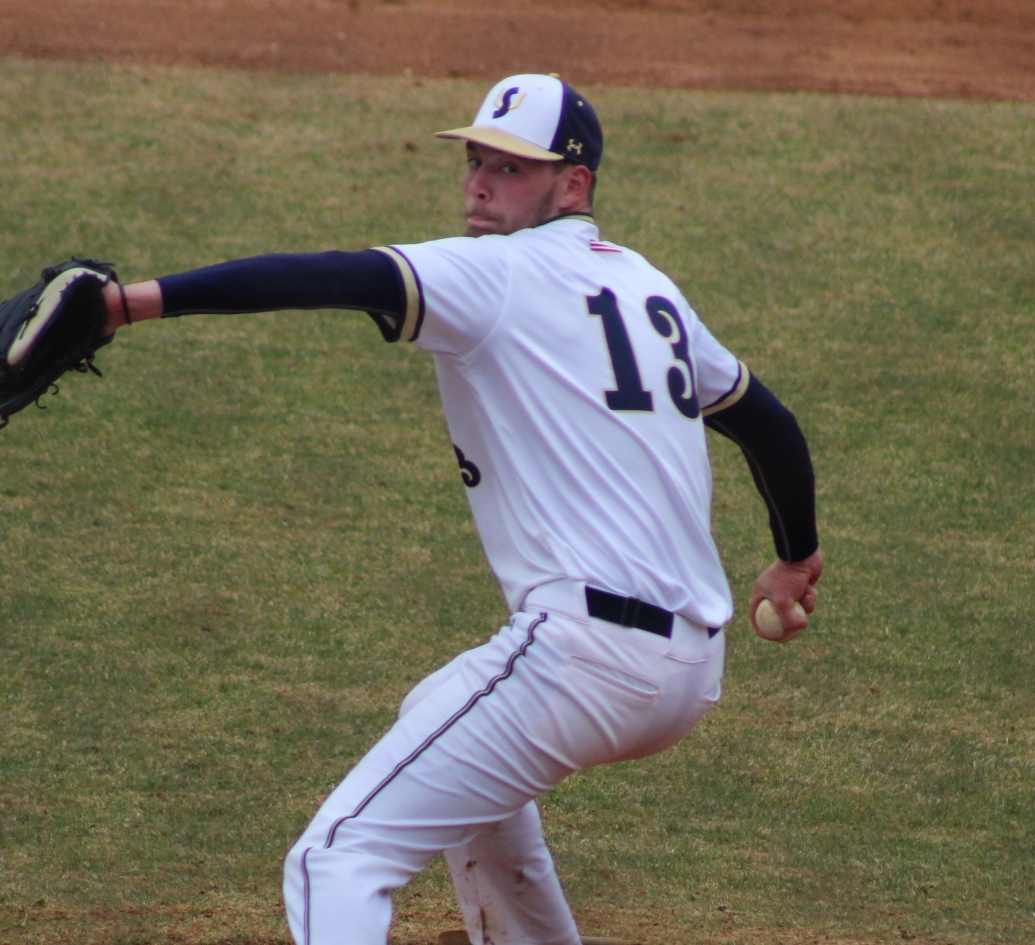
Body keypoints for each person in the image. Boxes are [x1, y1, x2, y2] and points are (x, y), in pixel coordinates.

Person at [98, 74, 821, 945]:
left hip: (584, 661)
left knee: (336, 857)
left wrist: (130, 304)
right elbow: (767, 423)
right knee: (440, 713)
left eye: (510, 169)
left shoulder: (495, 272)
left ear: (573, 184)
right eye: (476, 162)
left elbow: (332, 276)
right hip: (689, 670)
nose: (480, 183)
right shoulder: (646, 285)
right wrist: (793, 556)